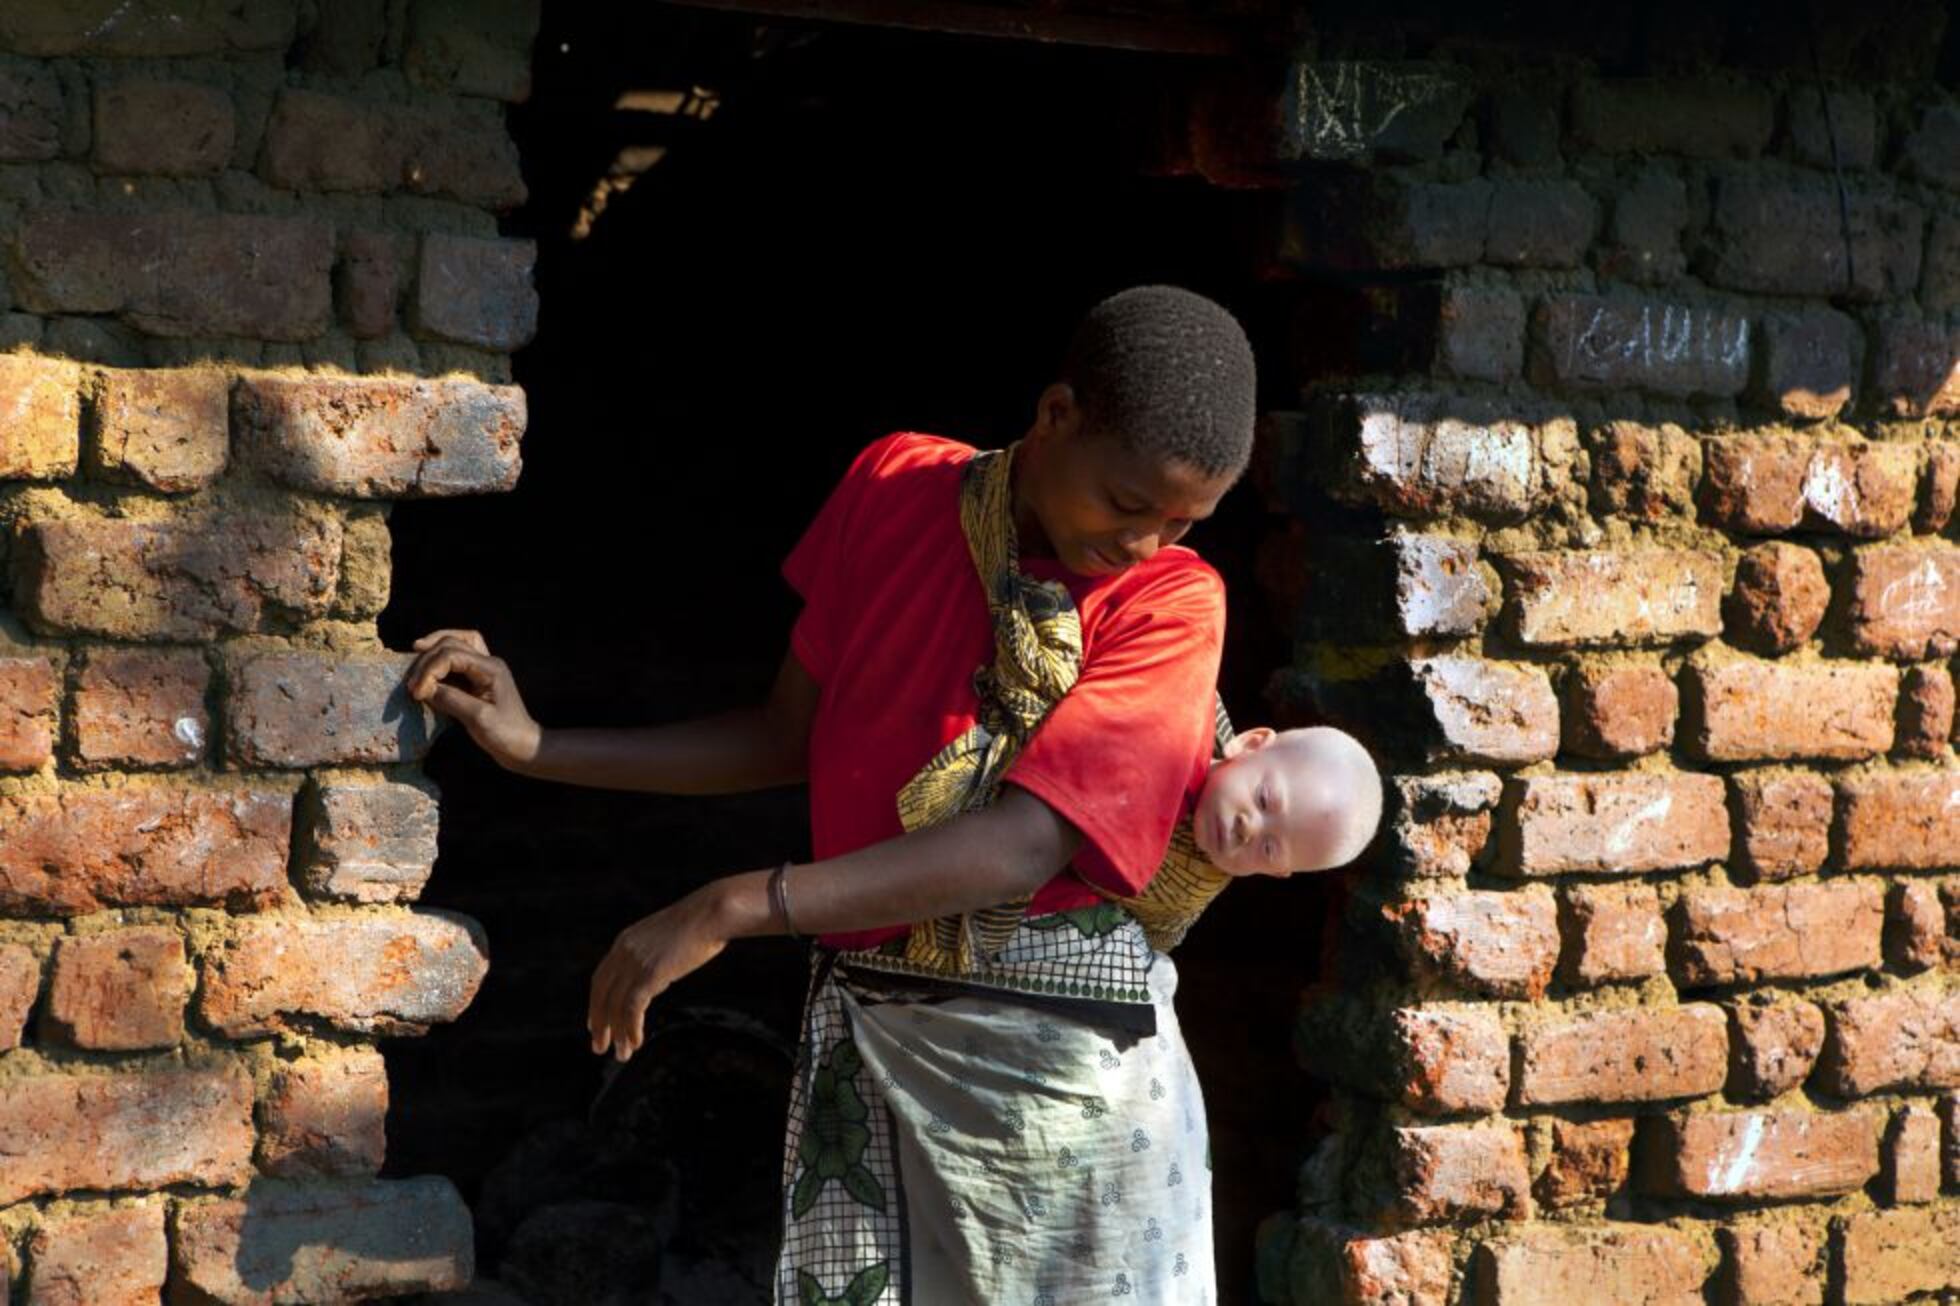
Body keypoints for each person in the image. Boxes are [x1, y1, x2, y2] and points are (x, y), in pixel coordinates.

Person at [406, 285, 1274, 1305]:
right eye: (1129, 504)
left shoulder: (1174, 600)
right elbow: (789, 738)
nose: (1146, 541)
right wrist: (536, 747)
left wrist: (734, 904)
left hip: (1069, 1091)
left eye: (1184, 521)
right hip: (876, 1053)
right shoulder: (896, 487)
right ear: (1056, 415)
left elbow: (1027, 844)